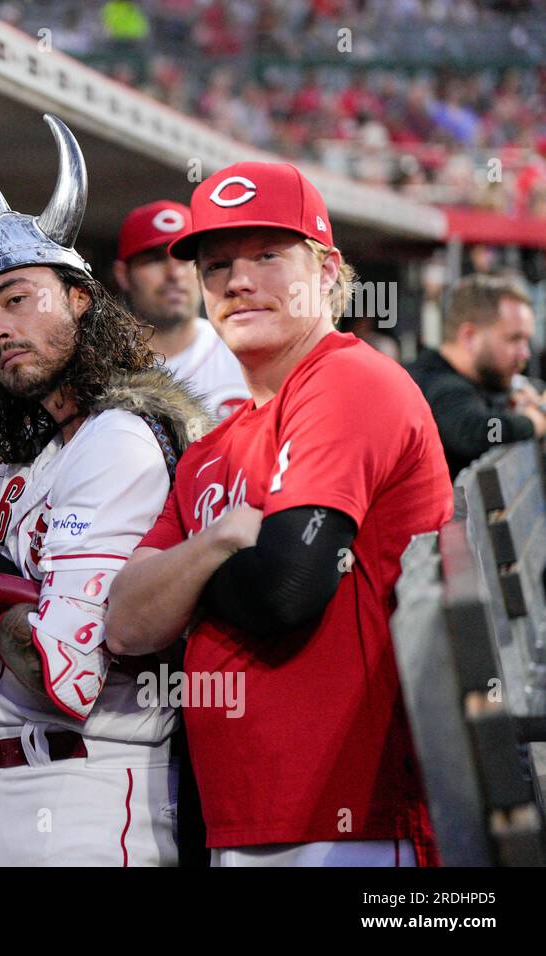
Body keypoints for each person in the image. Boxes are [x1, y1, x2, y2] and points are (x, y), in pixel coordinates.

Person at [105, 161, 452, 867]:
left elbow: (285, 587)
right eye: (218, 265)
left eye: (268, 255)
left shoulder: (348, 379)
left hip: (354, 818)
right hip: (246, 820)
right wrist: (231, 538)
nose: (238, 282)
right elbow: (127, 623)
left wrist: (190, 574)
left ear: (326, 270)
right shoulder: (211, 448)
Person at [0, 114, 208, 866]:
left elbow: (63, 677)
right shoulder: (25, 465)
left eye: (18, 299)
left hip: (91, 795)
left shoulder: (119, 436)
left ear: (79, 297)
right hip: (0, 790)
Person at [112, 200, 249, 419]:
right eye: (155, 259)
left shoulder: (245, 353)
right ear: (123, 274)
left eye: (186, 260)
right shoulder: (100, 365)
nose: (174, 274)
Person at [407, 273, 543, 479]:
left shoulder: (475, 378)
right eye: (514, 339)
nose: (525, 353)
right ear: (469, 336)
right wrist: (533, 422)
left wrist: (515, 404)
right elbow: (480, 431)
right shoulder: (439, 385)